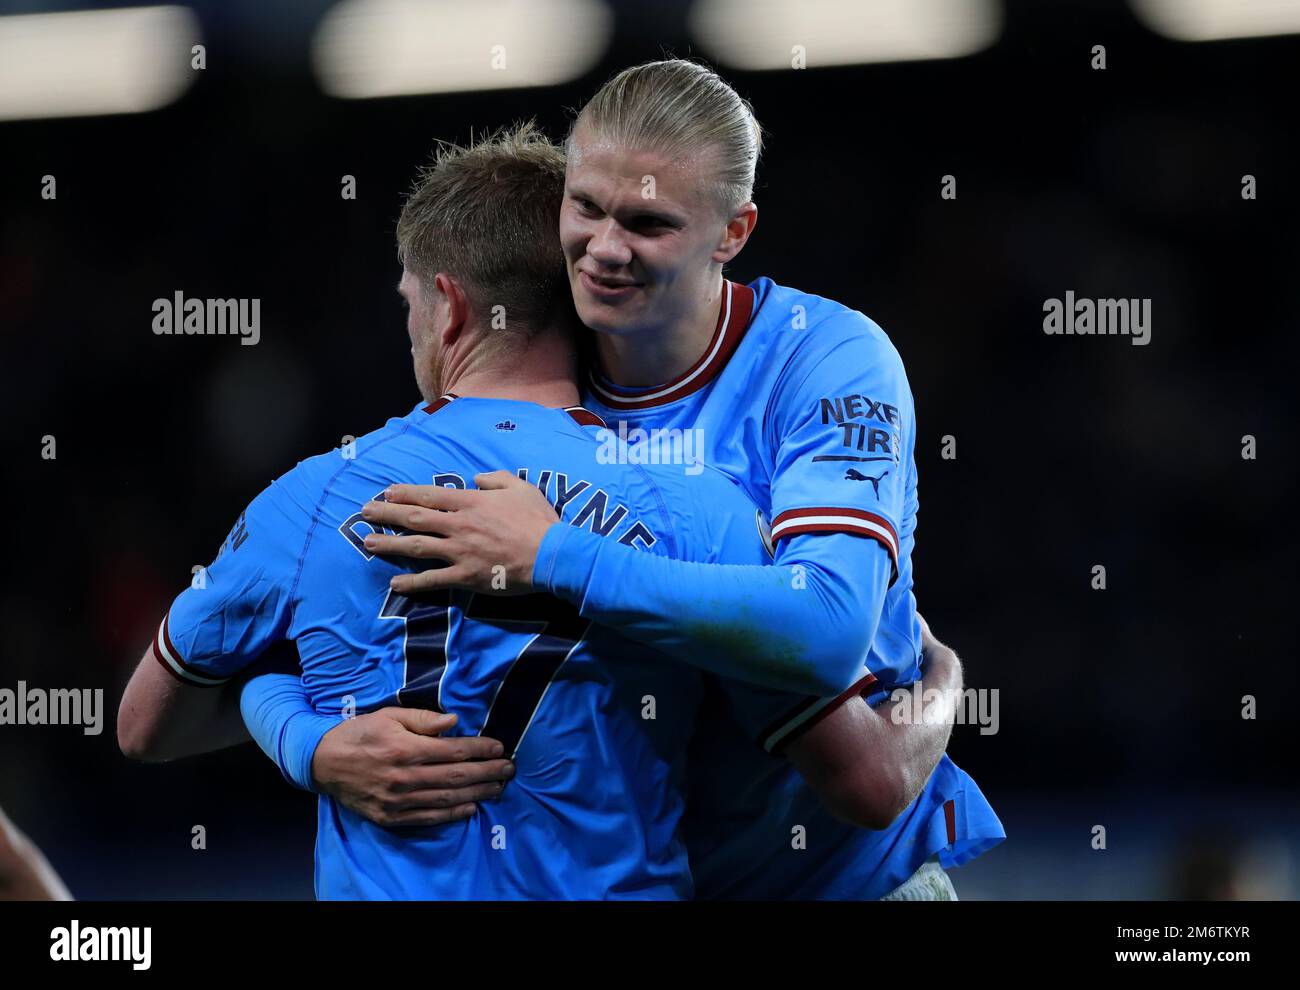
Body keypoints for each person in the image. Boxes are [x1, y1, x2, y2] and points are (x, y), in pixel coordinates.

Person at [117, 124, 969, 899]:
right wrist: (943, 682)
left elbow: (146, 725)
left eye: (408, 304)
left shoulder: (311, 498)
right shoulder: (704, 513)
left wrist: (308, 739)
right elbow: (866, 778)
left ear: (448, 305)